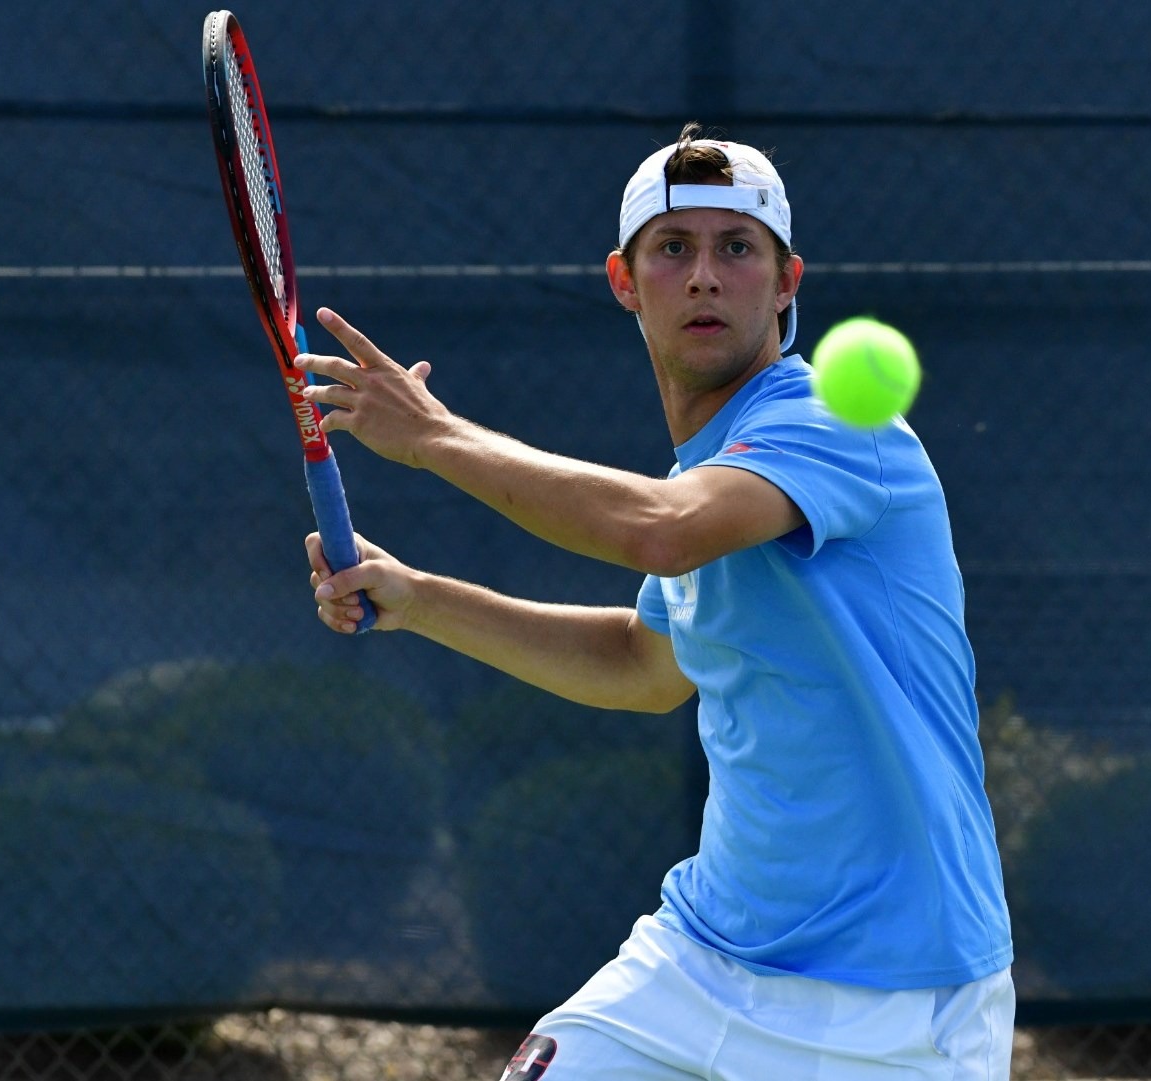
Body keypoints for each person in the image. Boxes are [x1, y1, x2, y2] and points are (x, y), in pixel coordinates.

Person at [297, 123, 1014, 1079]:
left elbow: (661, 529)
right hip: (704, 956)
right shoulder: (703, 470)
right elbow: (644, 664)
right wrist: (420, 598)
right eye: (674, 248)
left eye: (737, 249)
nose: (706, 276)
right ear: (623, 282)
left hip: (895, 1000)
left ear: (787, 280)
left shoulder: (837, 423)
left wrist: (434, 437)